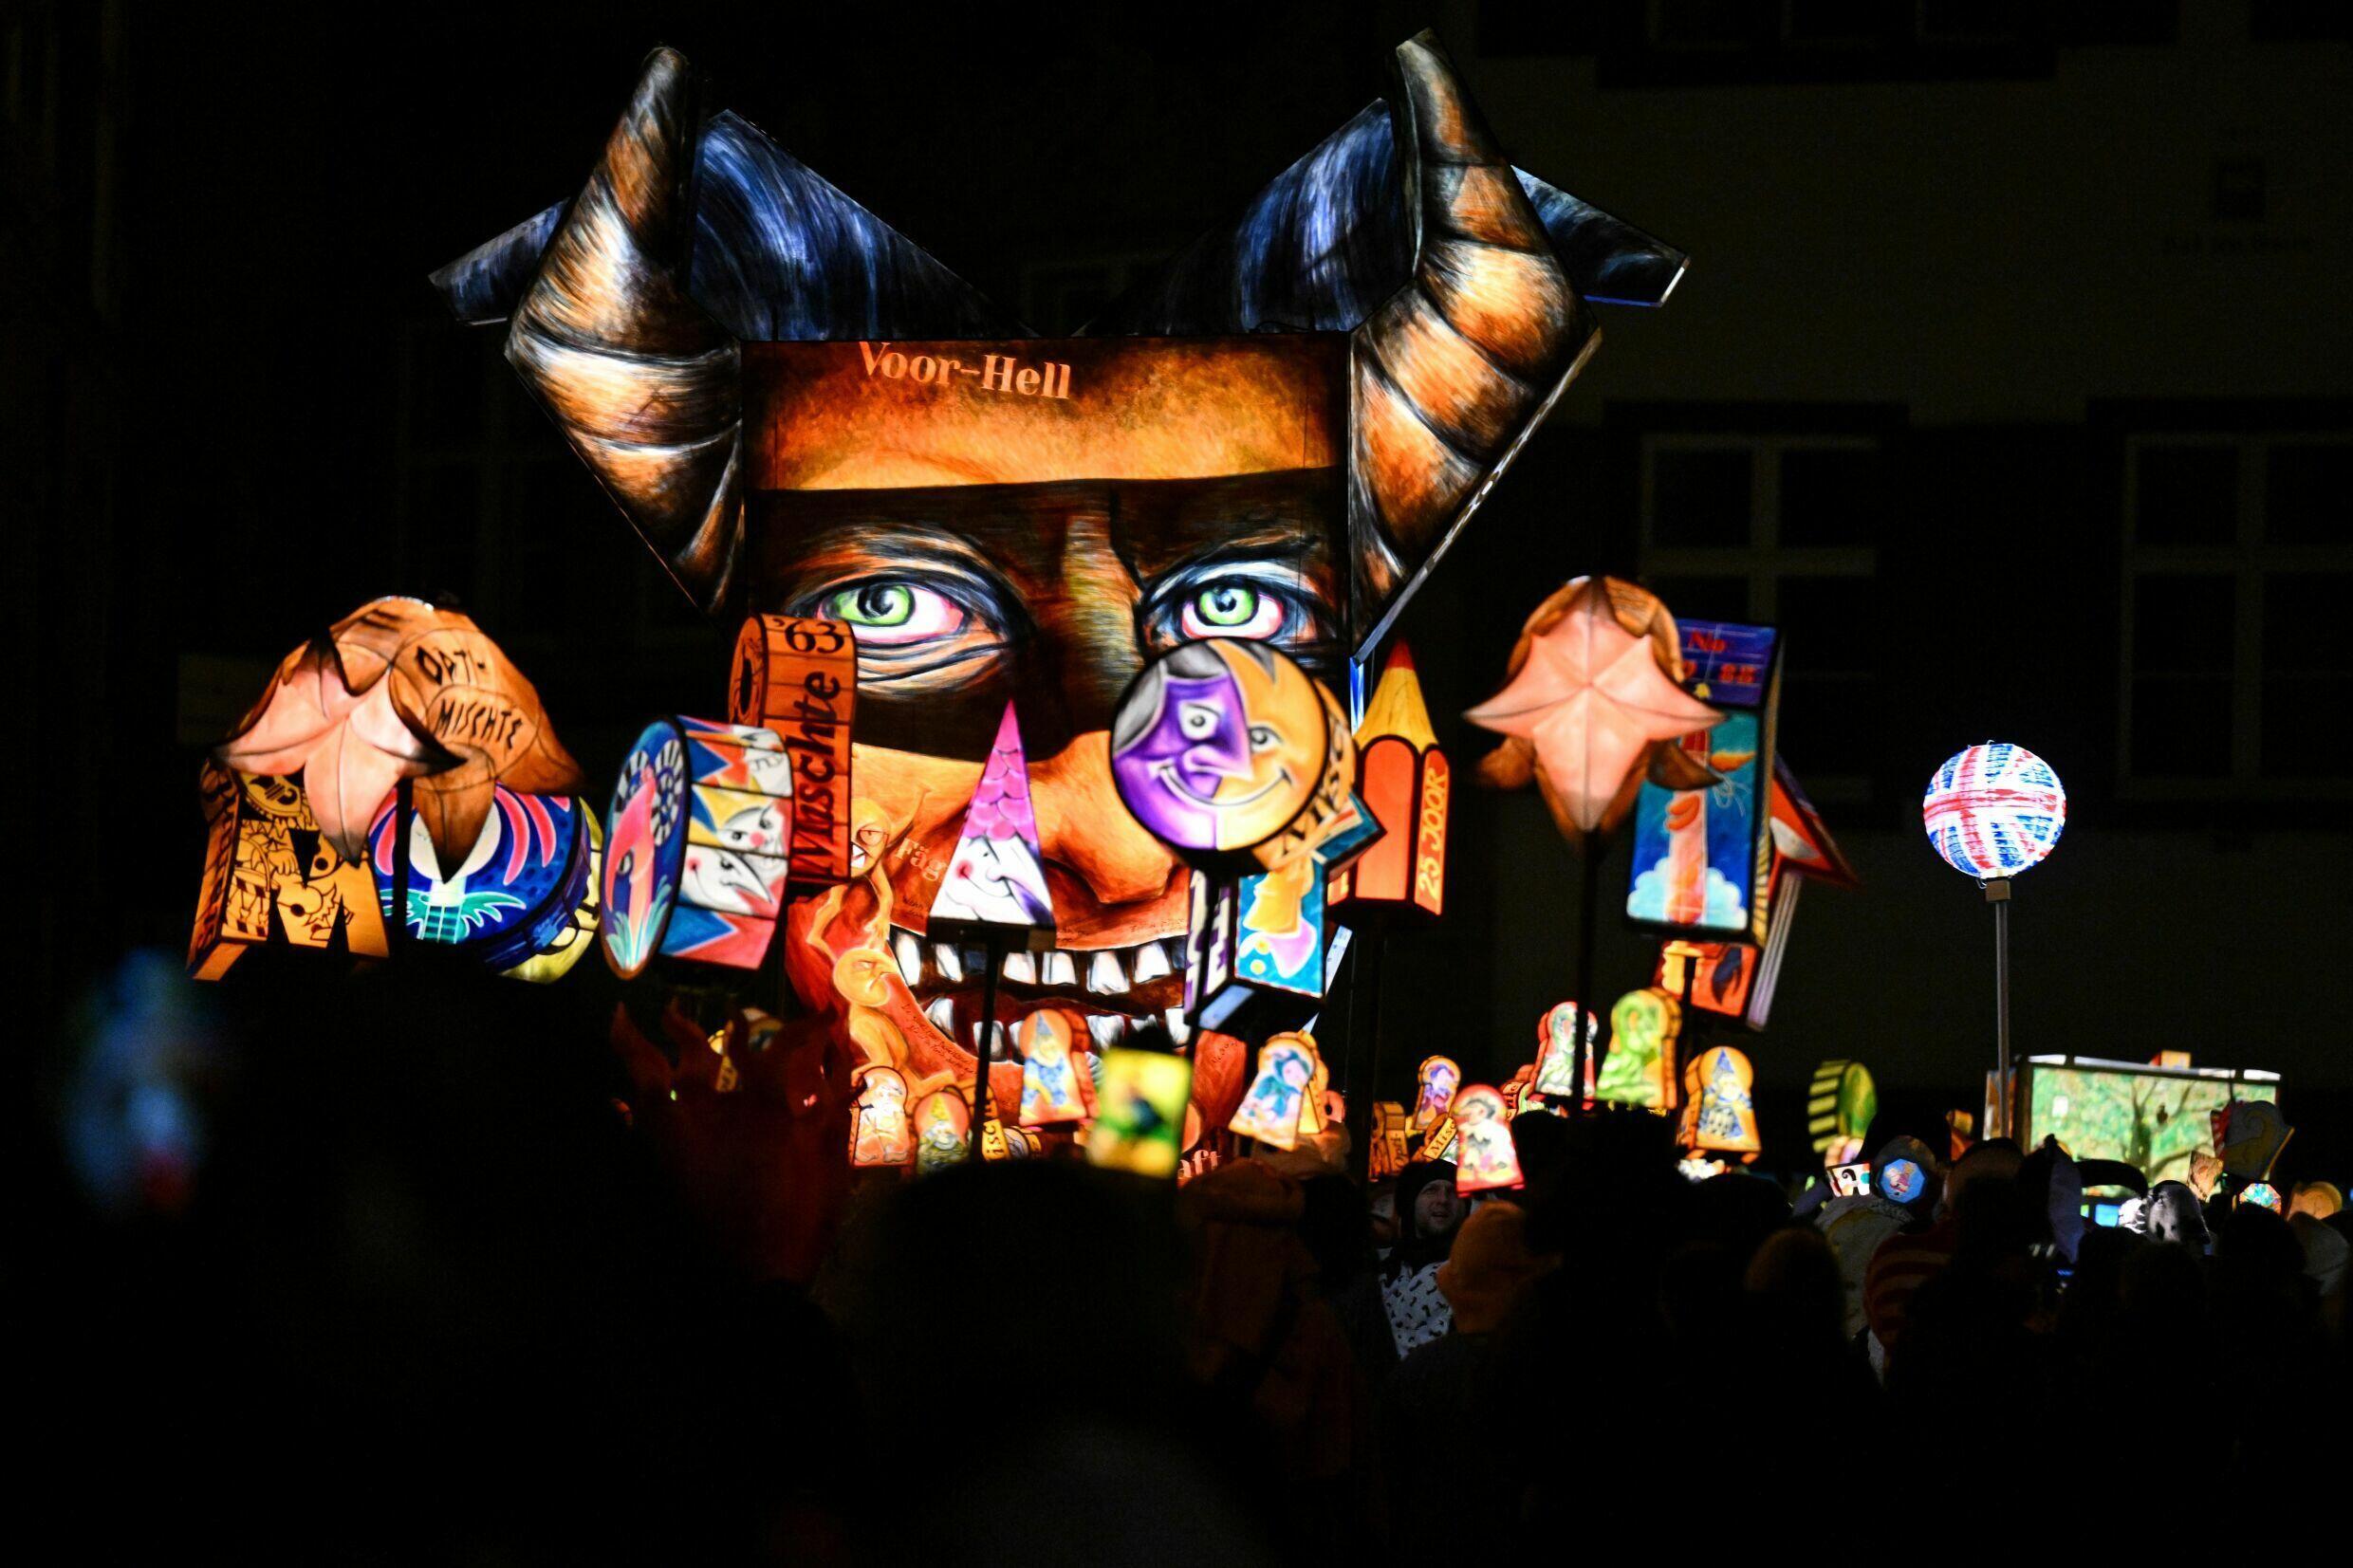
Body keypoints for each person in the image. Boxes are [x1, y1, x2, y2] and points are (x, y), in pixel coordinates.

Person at [1380, 1159, 1465, 1356]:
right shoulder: (1383, 1270)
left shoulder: (1472, 1273)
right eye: (1431, 1190)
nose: (1443, 1199)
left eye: (1453, 1192)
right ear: (1414, 1202)